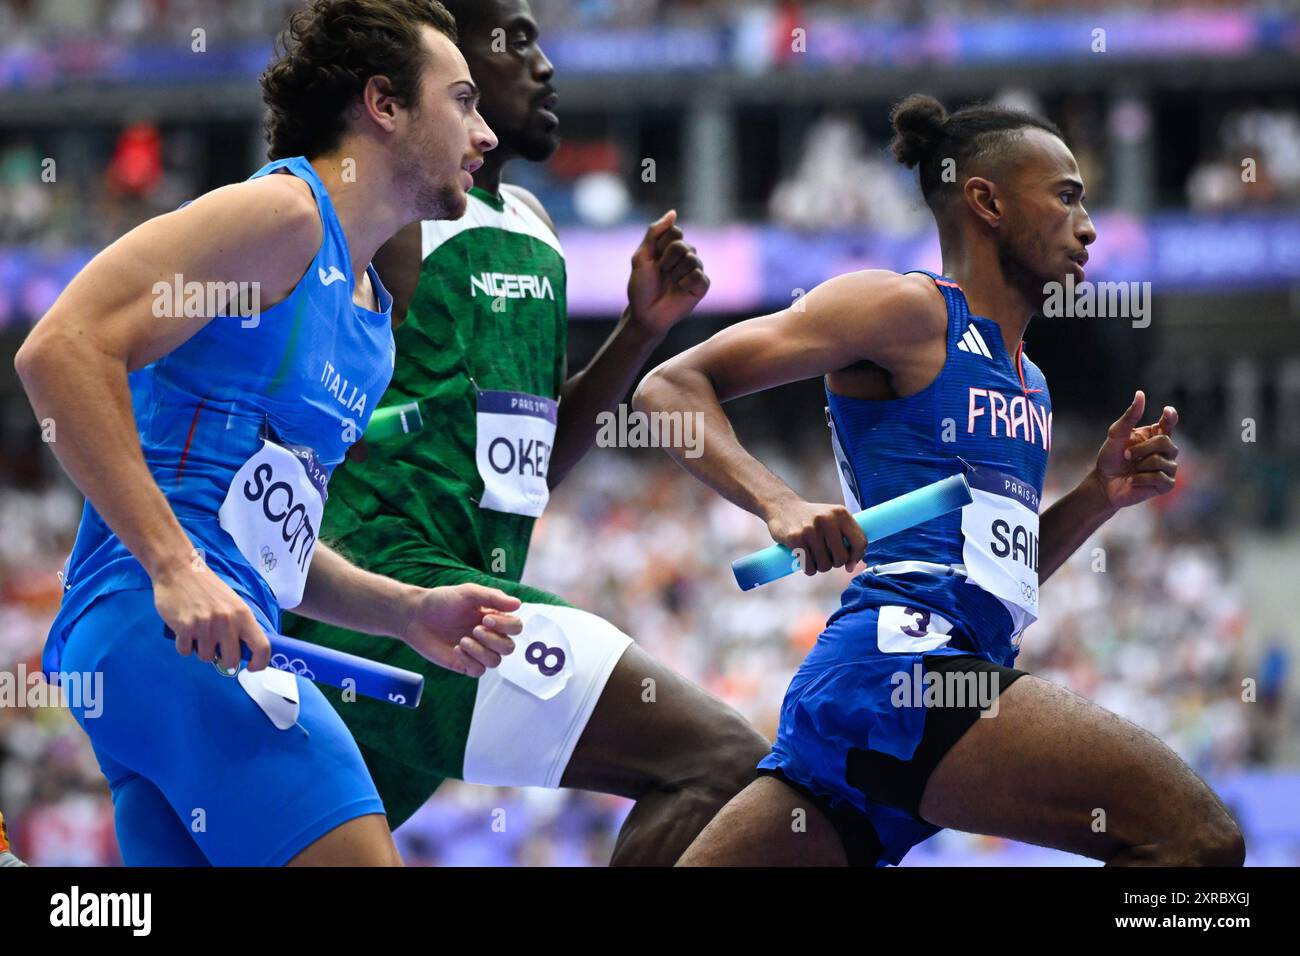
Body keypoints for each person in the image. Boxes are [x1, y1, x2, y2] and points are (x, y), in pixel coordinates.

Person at [634, 94, 1246, 867]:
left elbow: (997, 571)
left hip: (916, 696)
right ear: (986, 201)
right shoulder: (907, 309)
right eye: (1067, 195)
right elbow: (668, 387)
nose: (1088, 225)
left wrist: (1099, 495)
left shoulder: (1033, 384)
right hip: (901, 670)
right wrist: (779, 503)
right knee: (1197, 841)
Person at [13, 0, 522, 867]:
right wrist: (175, 567)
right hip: (157, 627)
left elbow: (265, 538)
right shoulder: (284, 219)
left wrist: (404, 611)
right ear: (384, 106)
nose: (486, 133)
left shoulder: (373, 322)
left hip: (183, 647)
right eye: (465, 100)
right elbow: (60, 348)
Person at [281, 0, 769, 865]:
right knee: (721, 760)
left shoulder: (536, 227)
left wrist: (641, 328)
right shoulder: (395, 213)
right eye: (517, 41)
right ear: (439, 72)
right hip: (381, 597)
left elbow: (534, 467)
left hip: (452, 603)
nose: (543, 65)